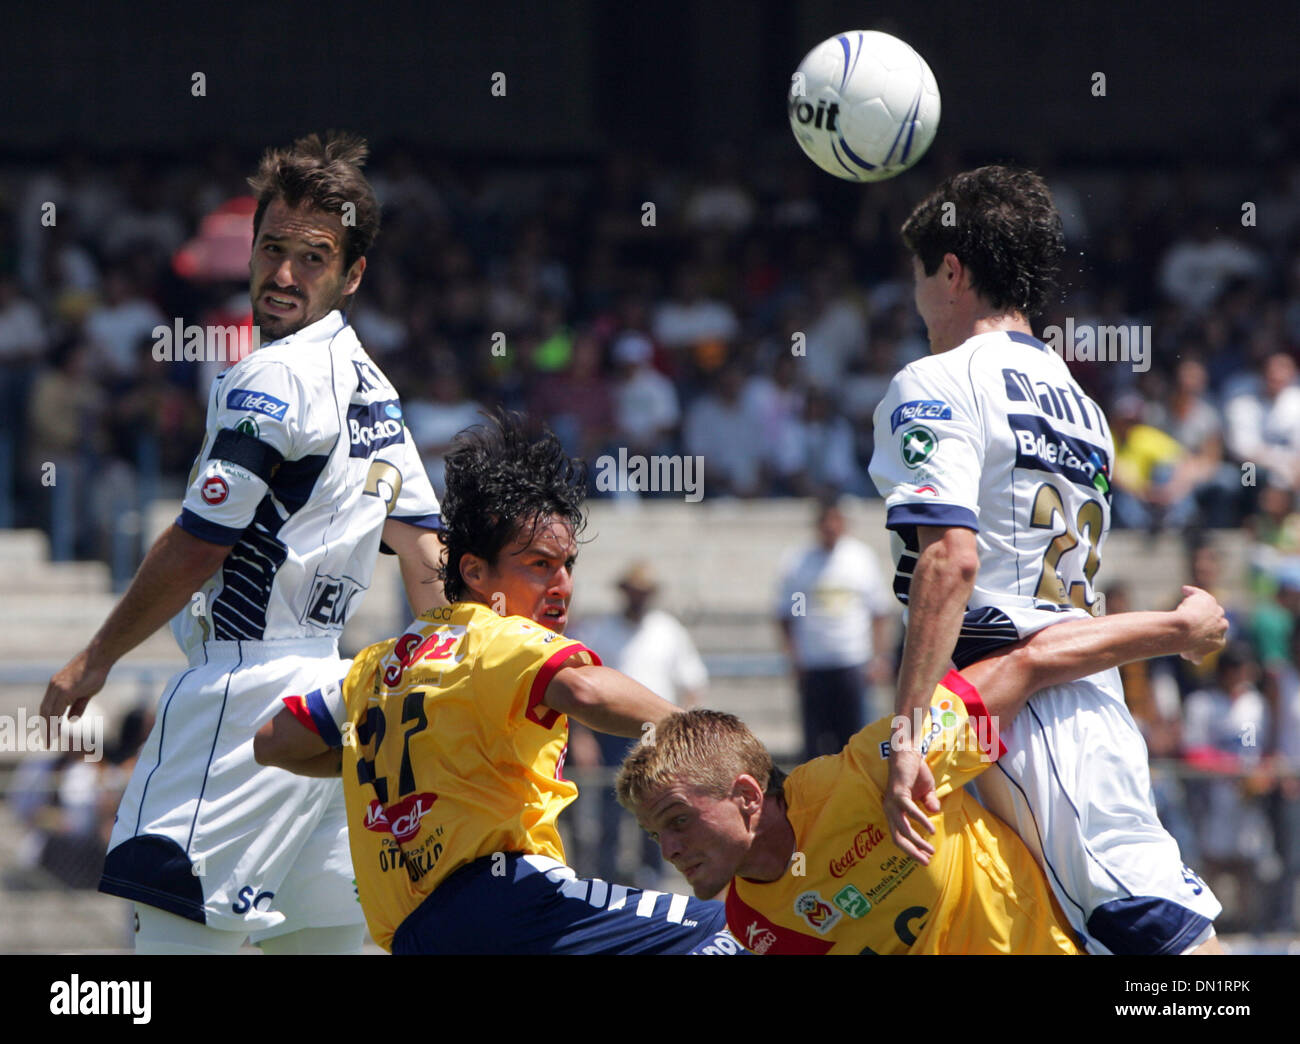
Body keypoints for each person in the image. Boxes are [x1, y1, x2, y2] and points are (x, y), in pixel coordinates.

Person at [40, 133, 445, 954]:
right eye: (272, 249)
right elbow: (424, 548)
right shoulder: (375, 387)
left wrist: (96, 657)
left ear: (353, 274)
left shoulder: (271, 375)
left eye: (314, 258)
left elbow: (199, 546)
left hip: (241, 702)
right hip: (333, 708)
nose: (286, 275)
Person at [869, 165, 1221, 954]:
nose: (917, 301)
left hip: (1020, 710)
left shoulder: (934, 381)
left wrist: (907, 735)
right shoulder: (1083, 404)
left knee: (1160, 941)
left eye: (920, 277)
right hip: (1080, 693)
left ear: (952, 271)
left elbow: (952, 560)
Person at [254, 413, 739, 955]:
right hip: (511, 902)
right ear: (476, 573)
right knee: (732, 930)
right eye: (539, 565)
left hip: (417, 936)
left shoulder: (375, 665)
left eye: (567, 565)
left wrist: (387, 756)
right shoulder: (502, 636)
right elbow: (583, 691)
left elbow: (274, 740)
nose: (562, 586)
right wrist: (708, 734)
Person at [617, 588, 1228, 954]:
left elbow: (1029, 664)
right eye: (654, 835)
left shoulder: (873, 769)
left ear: (748, 796)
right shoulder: (754, 924)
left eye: (676, 821)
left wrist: (1182, 630)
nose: (669, 849)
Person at [570, 561, 707, 885]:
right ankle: (606, 879)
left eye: (643, 592)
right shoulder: (601, 631)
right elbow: (581, 687)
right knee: (610, 811)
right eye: (634, 591)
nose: (638, 598)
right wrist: (582, 735)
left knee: (657, 807)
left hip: (655, 736)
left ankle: (651, 879)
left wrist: (679, 730)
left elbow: (693, 682)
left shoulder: (668, 630)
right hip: (610, 733)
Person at [777, 496, 894, 758]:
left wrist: (879, 657)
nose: (830, 527)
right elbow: (792, 613)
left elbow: (877, 611)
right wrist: (795, 656)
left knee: (855, 742)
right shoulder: (800, 563)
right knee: (815, 745)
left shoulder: (860, 559)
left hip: (852, 662)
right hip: (815, 664)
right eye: (825, 522)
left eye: (835, 521)